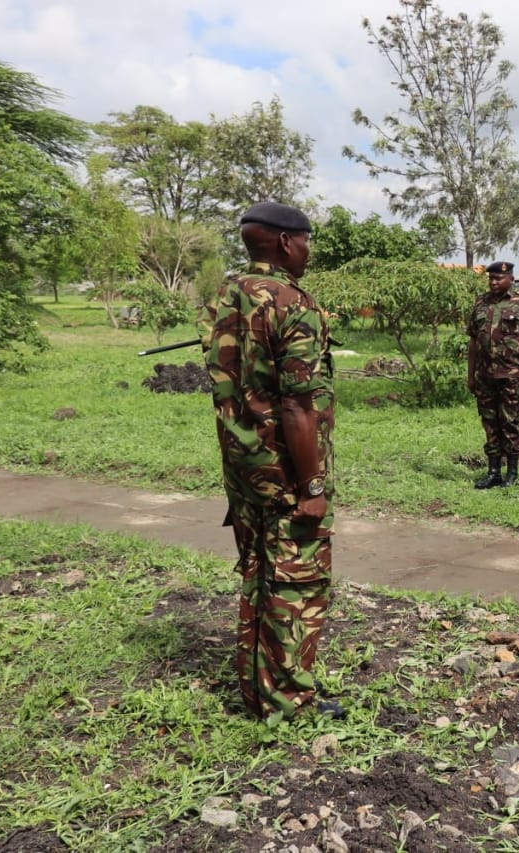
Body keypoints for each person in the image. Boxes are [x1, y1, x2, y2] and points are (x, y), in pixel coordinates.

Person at [203, 201, 339, 721]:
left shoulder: (226, 295)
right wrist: (313, 485)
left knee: (259, 576)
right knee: (296, 585)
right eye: (306, 242)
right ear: (285, 242)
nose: (308, 251)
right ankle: (286, 702)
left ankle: (256, 690)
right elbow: (296, 404)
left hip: (243, 470)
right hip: (285, 473)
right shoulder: (292, 302)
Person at [466, 260, 519, 488]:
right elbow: (472, 342)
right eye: (491, 278)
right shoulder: (480, 303)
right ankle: (493, 471)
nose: (494, 282)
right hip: (485, 375)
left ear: (510, 279)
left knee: (510, 423)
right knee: (490, 423)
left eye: (498, 278)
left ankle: (512, 472)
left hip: (511, 374)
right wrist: (471, 375)